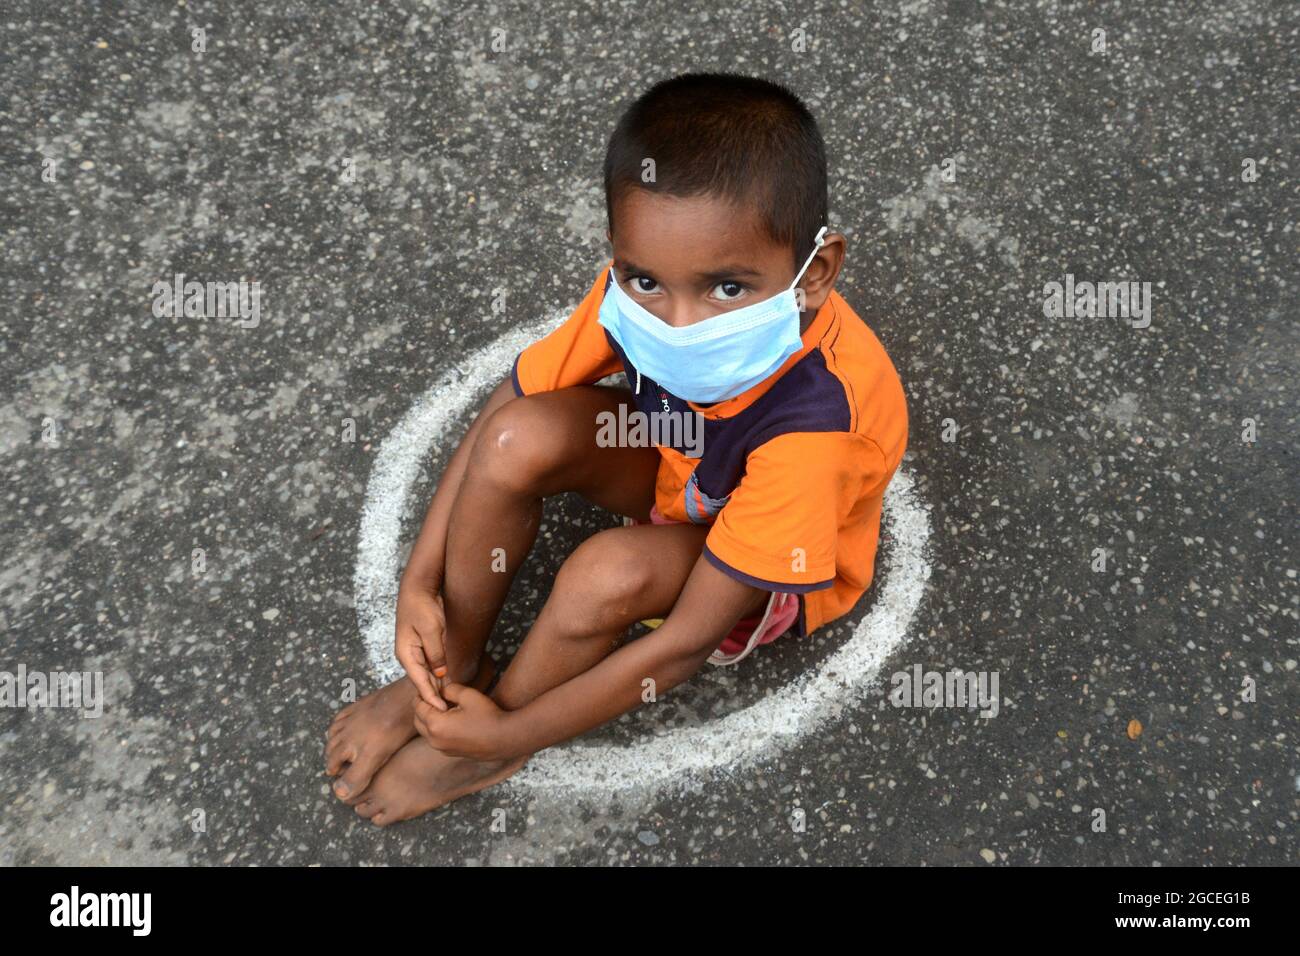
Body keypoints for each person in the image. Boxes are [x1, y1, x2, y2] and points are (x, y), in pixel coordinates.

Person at [325, 71, 909, 826]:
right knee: (515, 437)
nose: (680, 320)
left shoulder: (815, 431)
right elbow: (508, 410)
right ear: (621, 253)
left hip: (767, 555)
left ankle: (482, 741)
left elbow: (686, 643)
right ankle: (454, 667)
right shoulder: (632, 295)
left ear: (816, 273)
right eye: (646, 280)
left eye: (727, 289)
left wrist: (507, 732)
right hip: (683, 464)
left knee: (605, 574)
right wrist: (419, 583)